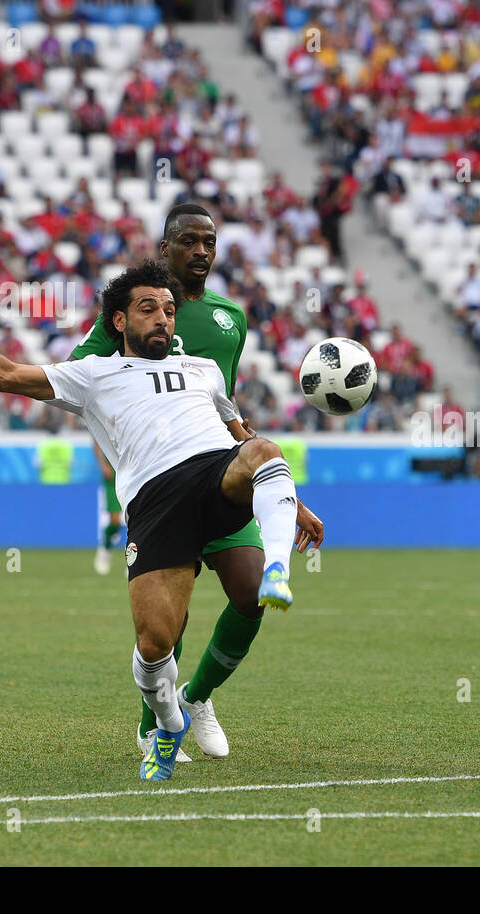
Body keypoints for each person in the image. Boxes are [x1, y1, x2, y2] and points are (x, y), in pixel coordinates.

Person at [0, 261, 308, 781]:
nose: (163, 320)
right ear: (120, 321)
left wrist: (291, 501)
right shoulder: (93, 373)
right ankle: (169, 724)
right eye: (149, 309)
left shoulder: (204, 371)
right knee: (155, 645)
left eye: (169, 310)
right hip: (156, 497)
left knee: (265, 450)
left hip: (215, 472)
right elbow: (10, 376)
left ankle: (277, 571)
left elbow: (243, 437)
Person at [71, 204, 324, 763]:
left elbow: (227, 414)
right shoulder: (132, 312)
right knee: (171, 613)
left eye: (209, 241)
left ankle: (198, 697)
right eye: (188, 241)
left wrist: (287, 496)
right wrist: (117, 458)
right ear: (165, 249)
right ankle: (153, 727)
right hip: (160, 479)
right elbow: (86, 387)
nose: (201, 252)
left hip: (216, 472)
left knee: (252, 591)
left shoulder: (230, 318)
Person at [92, 440, 124, 575]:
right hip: (112, 472)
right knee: (115, 520)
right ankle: (105, 548)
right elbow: (97, 441)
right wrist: (102, 465)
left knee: (136, 520)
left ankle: (135, 560)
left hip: (131, 468)